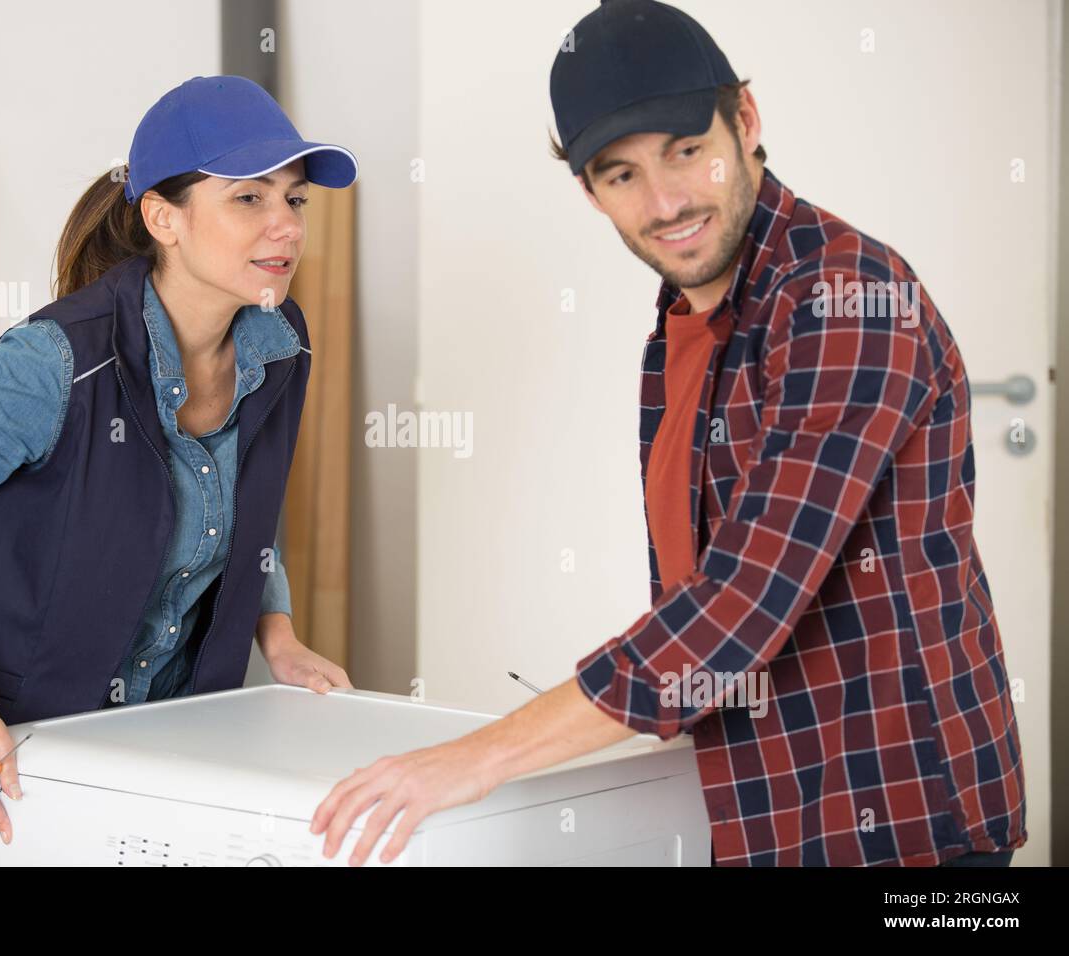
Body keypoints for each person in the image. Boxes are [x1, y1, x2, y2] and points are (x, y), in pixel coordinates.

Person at [310, 0, 1026, 867]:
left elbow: (742, 601)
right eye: (622, 176)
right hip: (766, 803)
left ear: (747, 121)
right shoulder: (683, 327)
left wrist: (476, 759)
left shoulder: (846, 298)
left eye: (687, 152)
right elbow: (699, 598)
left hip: (900, 818)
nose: (665, 202)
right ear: (589, 192)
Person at [0, 75, 358, 865]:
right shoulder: (53, 366)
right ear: (163, 218)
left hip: (142, 768)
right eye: (250, 198)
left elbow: (248, 502)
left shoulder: (279, 343)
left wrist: (275, 632)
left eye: (296, 200)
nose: (285, 226)